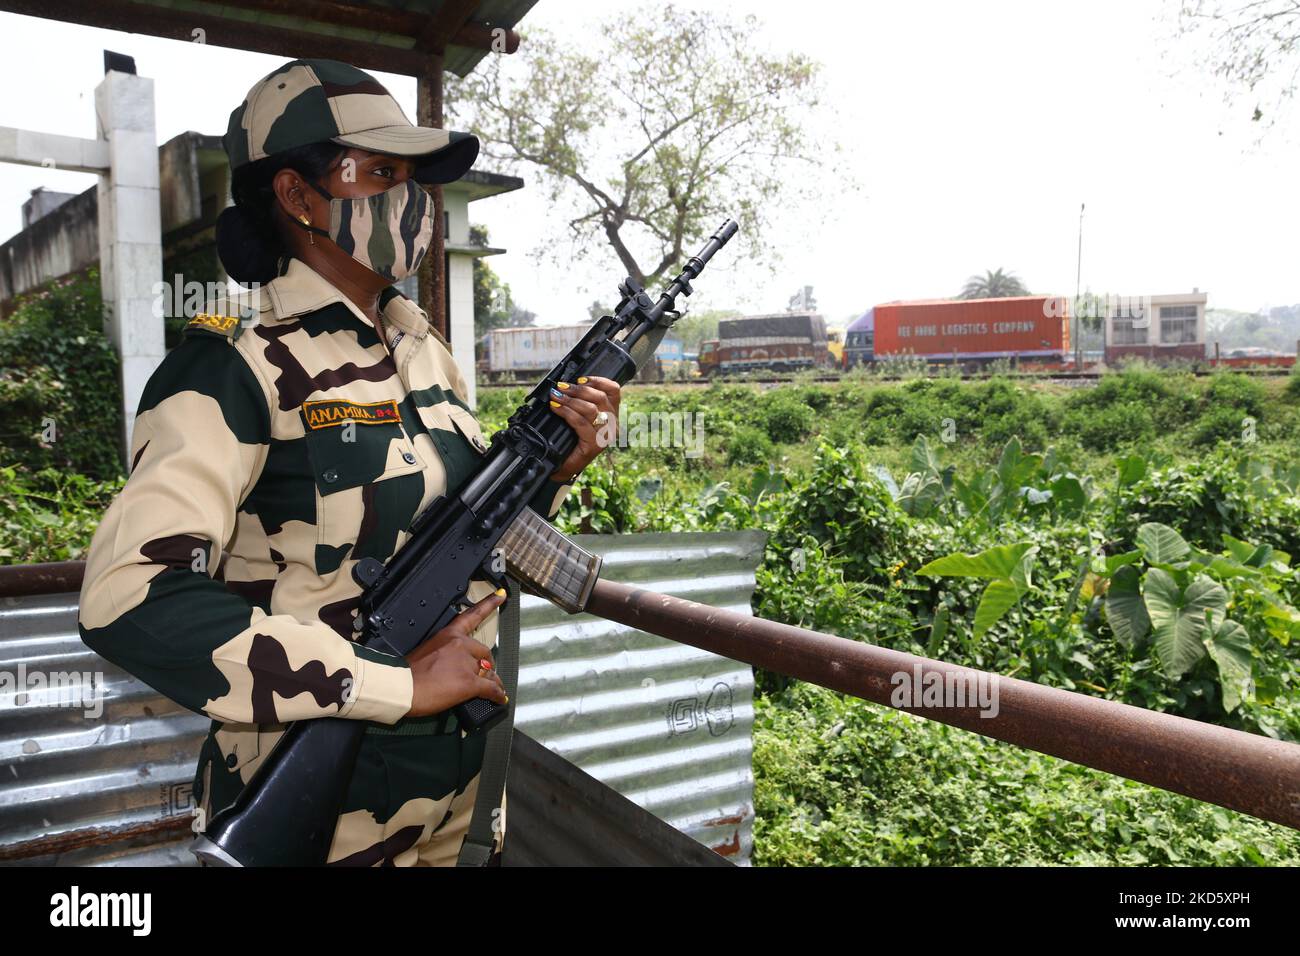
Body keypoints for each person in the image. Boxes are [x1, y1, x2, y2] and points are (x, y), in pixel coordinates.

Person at [77, 58, 621, 866]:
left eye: (415, 178)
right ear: (297, 196)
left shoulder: (423, 346)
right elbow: (128, 597)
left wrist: (554, 470)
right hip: (327, 822)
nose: (413, 200)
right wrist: (392, 686)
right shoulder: (236, 365)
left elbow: (454, 532)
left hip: (456, 791)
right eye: (382, 173)